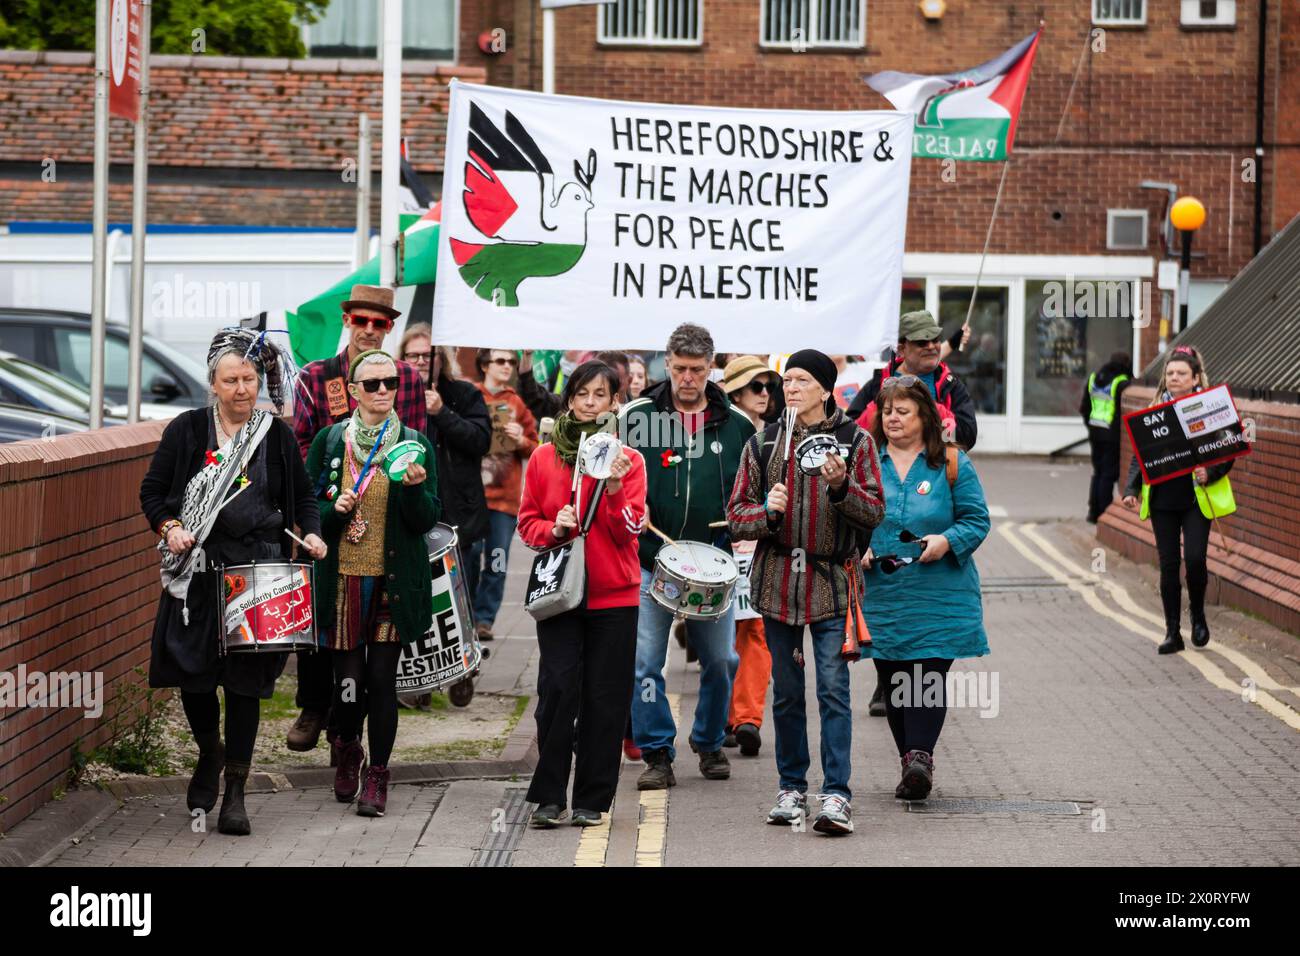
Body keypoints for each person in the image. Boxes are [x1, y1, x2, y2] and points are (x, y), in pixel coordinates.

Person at [140, 329, 328, 836]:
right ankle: (210, 752)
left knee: (245, 688)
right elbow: (154, 493)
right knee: (195, 679)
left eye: (249, 379)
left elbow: (304, 499)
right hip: (198, 577)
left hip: (256, 574)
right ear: (213, 383)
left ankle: (237, 794)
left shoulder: (275, 436)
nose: (243, 389)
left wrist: (311, 534)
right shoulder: (185, 431)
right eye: (231, 380)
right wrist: (172, 527)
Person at [727, 349, 884, 835]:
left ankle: (836, 795)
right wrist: (768, 513)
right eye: (785, 380)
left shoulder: (855, 442)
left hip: (833, 583)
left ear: (824, 387)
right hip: (776, 584)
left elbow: (875, 512)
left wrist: (841, 488)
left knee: (834, 692)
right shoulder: (764, 443)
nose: (788, 388)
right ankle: (791, 788)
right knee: (788, 694)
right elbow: (736, 515)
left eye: (799, 380)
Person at [288, 285, 426, 759]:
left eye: (381, 324)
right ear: (348, 320)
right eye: (362, 321)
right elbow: (302, 444)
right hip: (331, 519)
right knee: (326, 634)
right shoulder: (316, 375)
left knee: (376, 672)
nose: (370, 330)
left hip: (388, 536)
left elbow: (418, 449)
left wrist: (406, 485)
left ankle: (357, 748)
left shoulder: (407, 376)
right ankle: (317, 710)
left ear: (390, 329)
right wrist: (333, 486)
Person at [621, 323, 756, 789]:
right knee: (645, 664)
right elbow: (613, 480)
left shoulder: (737, 424)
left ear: (711, 367)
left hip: (714, 563)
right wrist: (627, 511)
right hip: (651, 560)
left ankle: (709, 739)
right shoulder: (637, 417)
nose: (687, 378)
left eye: (697, 370)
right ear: (667, 362)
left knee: (722, 661)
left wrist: (746, 521)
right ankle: (657, 752)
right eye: (679, 368)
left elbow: (749, 491)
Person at [306, 350, 439, 817]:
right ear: (355, 390)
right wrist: (331, 510)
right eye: (373, 383)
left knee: (381, 680)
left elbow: (427, 519)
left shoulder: (415, 443)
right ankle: (346, 746)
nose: (383, 391)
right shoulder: (329, 441)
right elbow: (307, 512)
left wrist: (413, 488)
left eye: (390, 383)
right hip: (341, 579)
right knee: (347, 683)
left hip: (393, 581)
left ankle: (378, 775)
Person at [516, 362, 648, 827]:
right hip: (560, 593)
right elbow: (526, 524)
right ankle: (549, 794)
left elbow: (630, 530)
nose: (591, 402)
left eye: (601, 394)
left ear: (615, 401)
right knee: (556, 688)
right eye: (583, 394)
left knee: (604, 696)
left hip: (615, 595)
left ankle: (593, 797)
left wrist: (613, 488)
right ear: (569, 399)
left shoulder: (628, 460)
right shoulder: (543, 457)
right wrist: (555, 526)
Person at [861, 376, 991, 802]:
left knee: (926, 675)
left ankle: (920, 757)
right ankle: (911, 761)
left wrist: (947, 540)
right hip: (882, 595)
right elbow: (844, 513)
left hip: (941, 593)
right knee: (895, 678)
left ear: (925, 417)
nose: (893, 418)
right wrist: (856, 546)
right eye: (888, 411)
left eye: (903, 411)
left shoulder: (951, 462)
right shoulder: (865, 460)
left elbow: (976, 519)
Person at [846, 309, 979, 717]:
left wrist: (940, 431)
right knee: (890, 620)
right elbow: (852, 430)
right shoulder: (877, 385)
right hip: (885, 511)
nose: (930, 348)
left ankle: (916, 709)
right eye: (920, 342)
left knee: (930, 617)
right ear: (901, 347)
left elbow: (970, 434)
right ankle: (888, 681)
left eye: (934, 341)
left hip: (935, 492)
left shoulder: (950, 383)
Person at [1122, 345, 1231, 654]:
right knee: (1169, 566)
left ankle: (1197, 615)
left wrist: (1210, 472)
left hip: (1196, 498)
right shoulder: (1155, 411)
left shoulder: (1209, 408)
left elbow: (1228, 448)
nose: (1174, 378)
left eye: (1181, 373)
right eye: (1169, 373)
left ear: (1195, 377)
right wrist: (1131, 489)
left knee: (1195, 560)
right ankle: (1173, 632)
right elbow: (1140, 456)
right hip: (1162, 500)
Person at [719, 354, 781, 757]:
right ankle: (721, 718)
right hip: (720, 547)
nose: (764, 394)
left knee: (756, 633)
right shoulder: (719, 433)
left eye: (767, 387)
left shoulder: (779, 434)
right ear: (734, 393)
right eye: (755, 387)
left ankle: (747, 720)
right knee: (722, 638)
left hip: (762, 548)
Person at [469, 349, 539, 640]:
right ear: (485, 364)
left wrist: (520, 438)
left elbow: (536, 448)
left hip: (505, 500)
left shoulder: (516, 402)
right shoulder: (470, 395)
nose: (507, 366)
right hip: (472, 496)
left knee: (497, 561)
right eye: (500, 361)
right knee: (470, 558)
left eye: (511, 361)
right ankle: (466, 615)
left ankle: (484, 620)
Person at [1080, 352, 1132, 523]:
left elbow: (1084, 407)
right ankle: (1104, 514)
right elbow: (1121, 413)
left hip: (1095, 431)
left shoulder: (1094, 378)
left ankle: (1093, 512)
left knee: (1098, 472)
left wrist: (1090, 425)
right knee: (1108, 475)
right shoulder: (1121, 382)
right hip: (1111, 435)